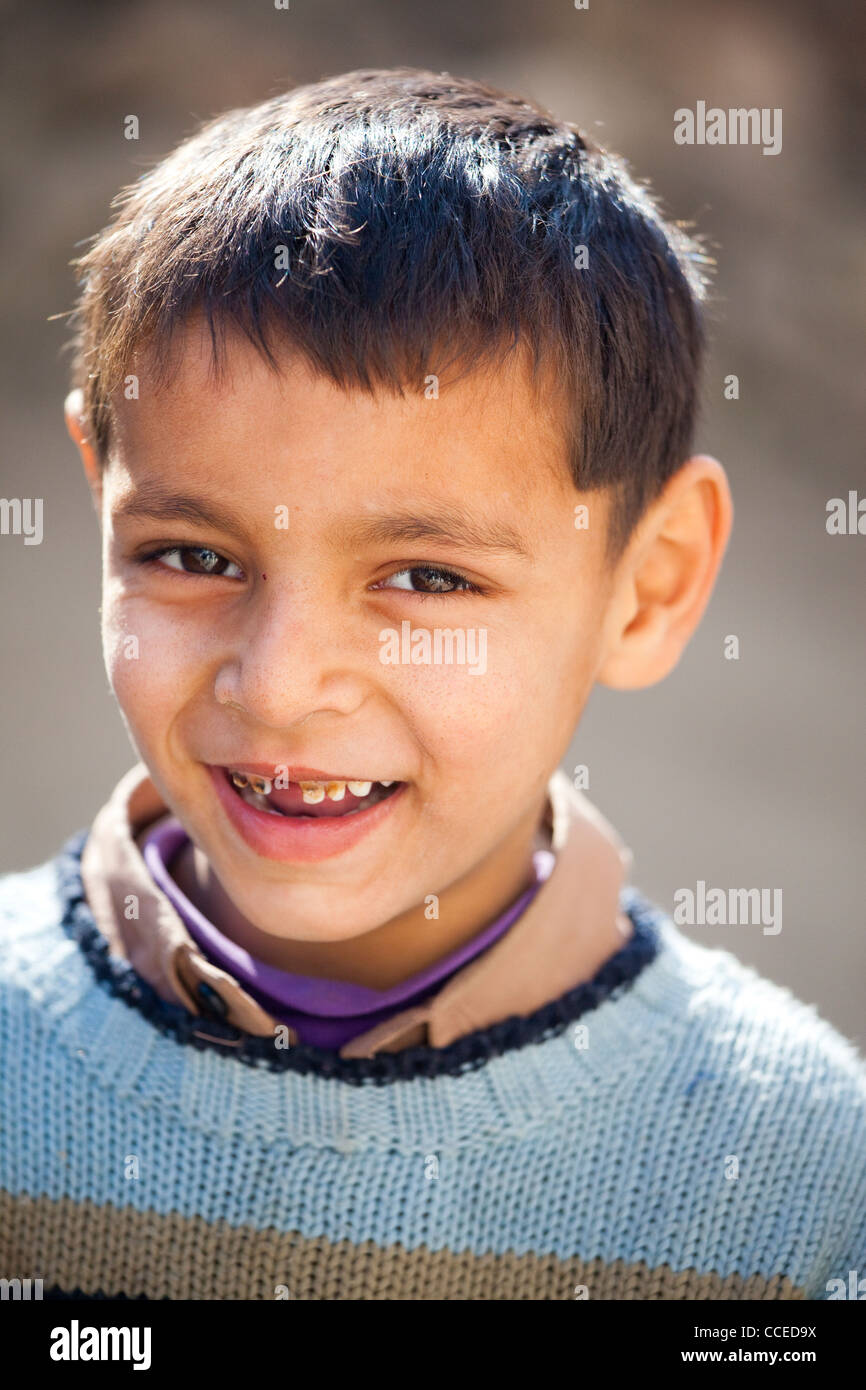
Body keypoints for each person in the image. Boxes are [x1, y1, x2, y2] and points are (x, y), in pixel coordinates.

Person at [1, 67, 863, 1300]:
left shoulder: (794, 1171)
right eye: (192, 557)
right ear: (100, 499)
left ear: (651, 583)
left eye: (425, 578)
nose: (281, 685)